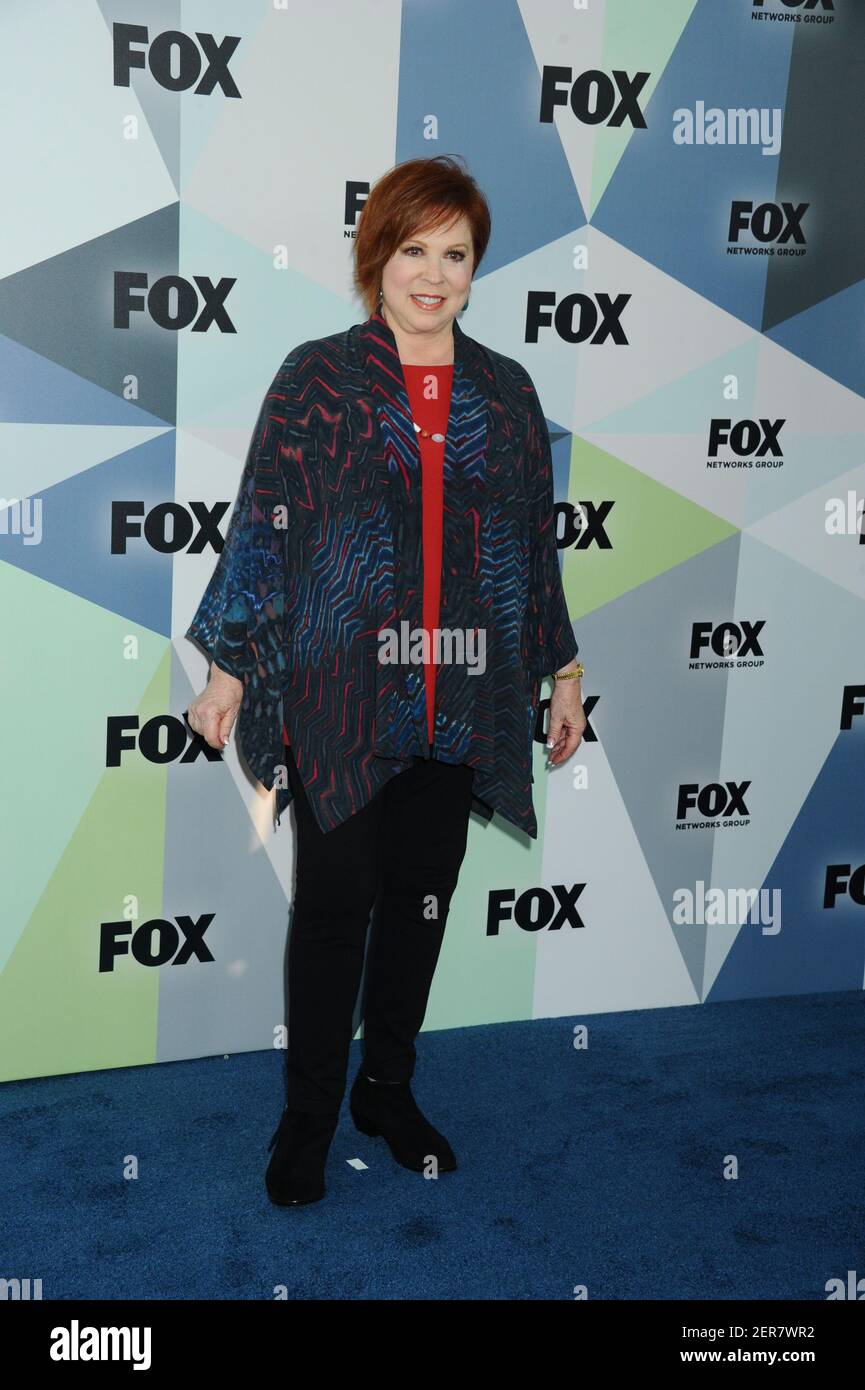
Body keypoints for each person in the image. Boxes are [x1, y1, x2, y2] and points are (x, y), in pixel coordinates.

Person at [186, 155, 587, 1207]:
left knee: (419, 904)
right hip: (343, 697)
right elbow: (266, 526)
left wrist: (564, 668)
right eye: (413, 249)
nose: (433, 273)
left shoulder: (507, 390)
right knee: (332, 911)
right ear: (377, 257)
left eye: (454, 254)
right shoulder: (316, 377)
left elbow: (528, 550)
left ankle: (387, 1090)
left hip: (459, 697)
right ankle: (308, 1116)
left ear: (473, 267)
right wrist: (229, 669)